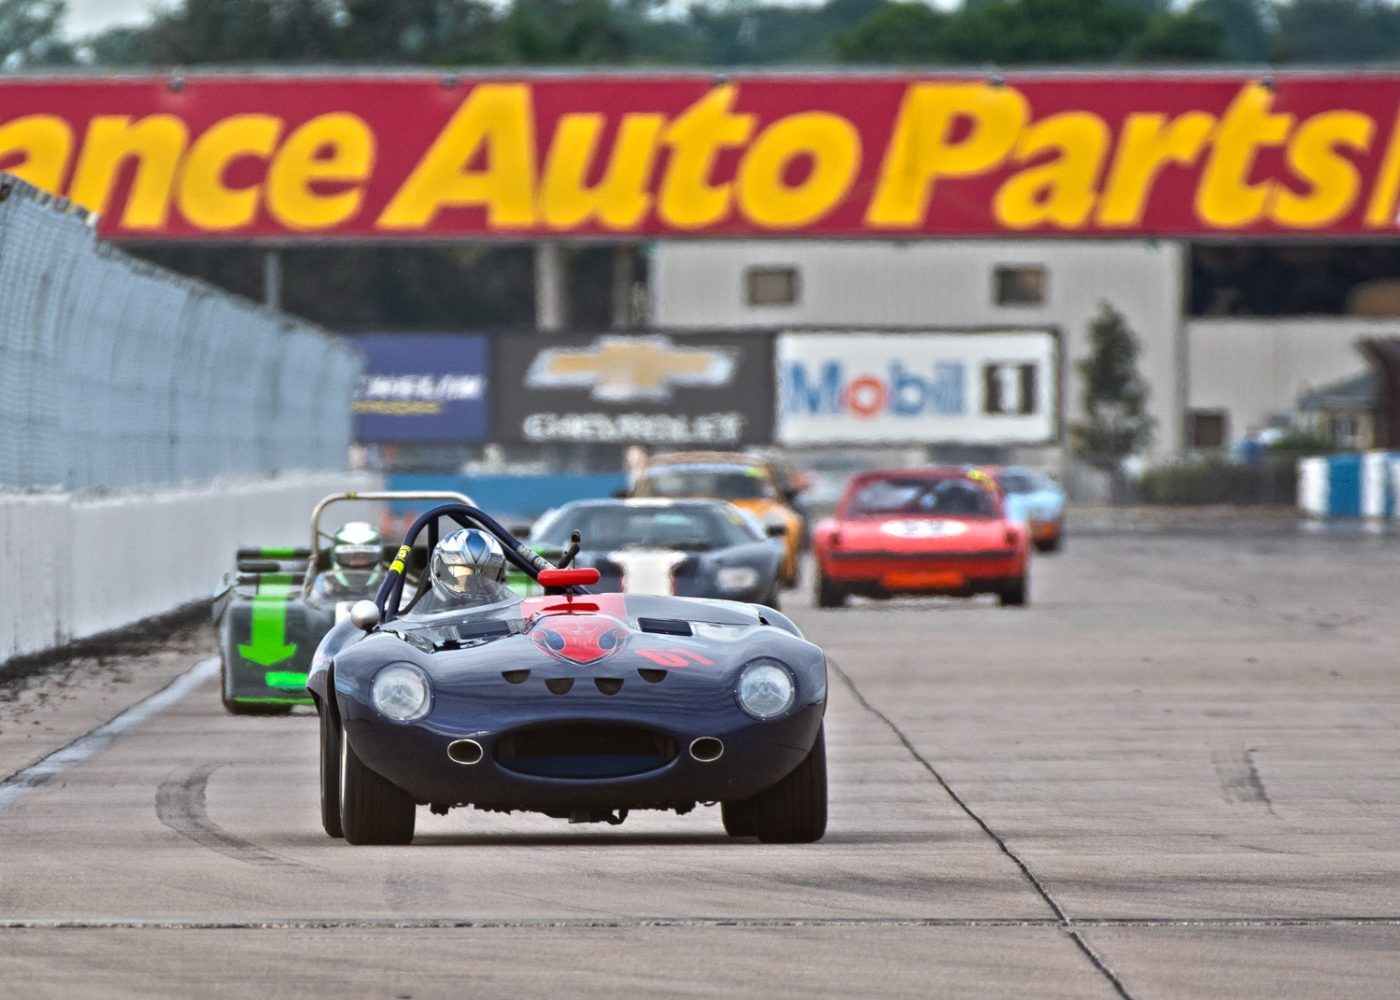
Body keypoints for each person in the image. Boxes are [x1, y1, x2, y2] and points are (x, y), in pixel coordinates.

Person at [426, 528, 509, 609]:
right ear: (438, 571)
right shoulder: (418, 616)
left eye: (486, 573)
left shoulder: (510, 613)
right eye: (464, 572)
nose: (474, 585)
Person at [319, 521, 385, 597]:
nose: (358, 562)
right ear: (335, 556)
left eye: (364, 557)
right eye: (351, 557)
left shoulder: (390, 585)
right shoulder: (322, 585)